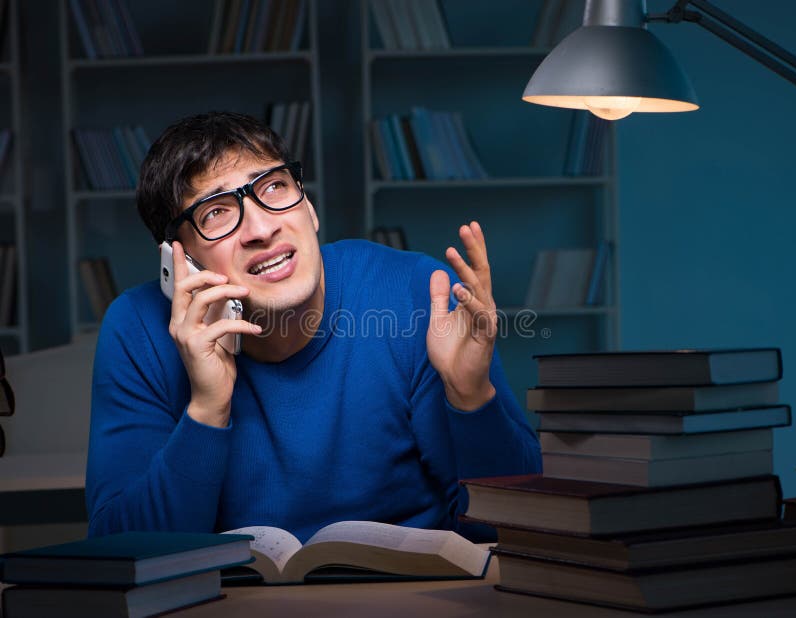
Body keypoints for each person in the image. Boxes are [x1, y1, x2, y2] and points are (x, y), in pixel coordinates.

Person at [86, 111, 541, 542]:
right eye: (216, 213)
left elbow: (514, 529)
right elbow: (122, 552)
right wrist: (207, 409)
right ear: (177, 261)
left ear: (310, 208)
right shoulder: (138, 330)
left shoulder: (419, 294)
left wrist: (471, 398)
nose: (262, 228)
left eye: (275, 188)